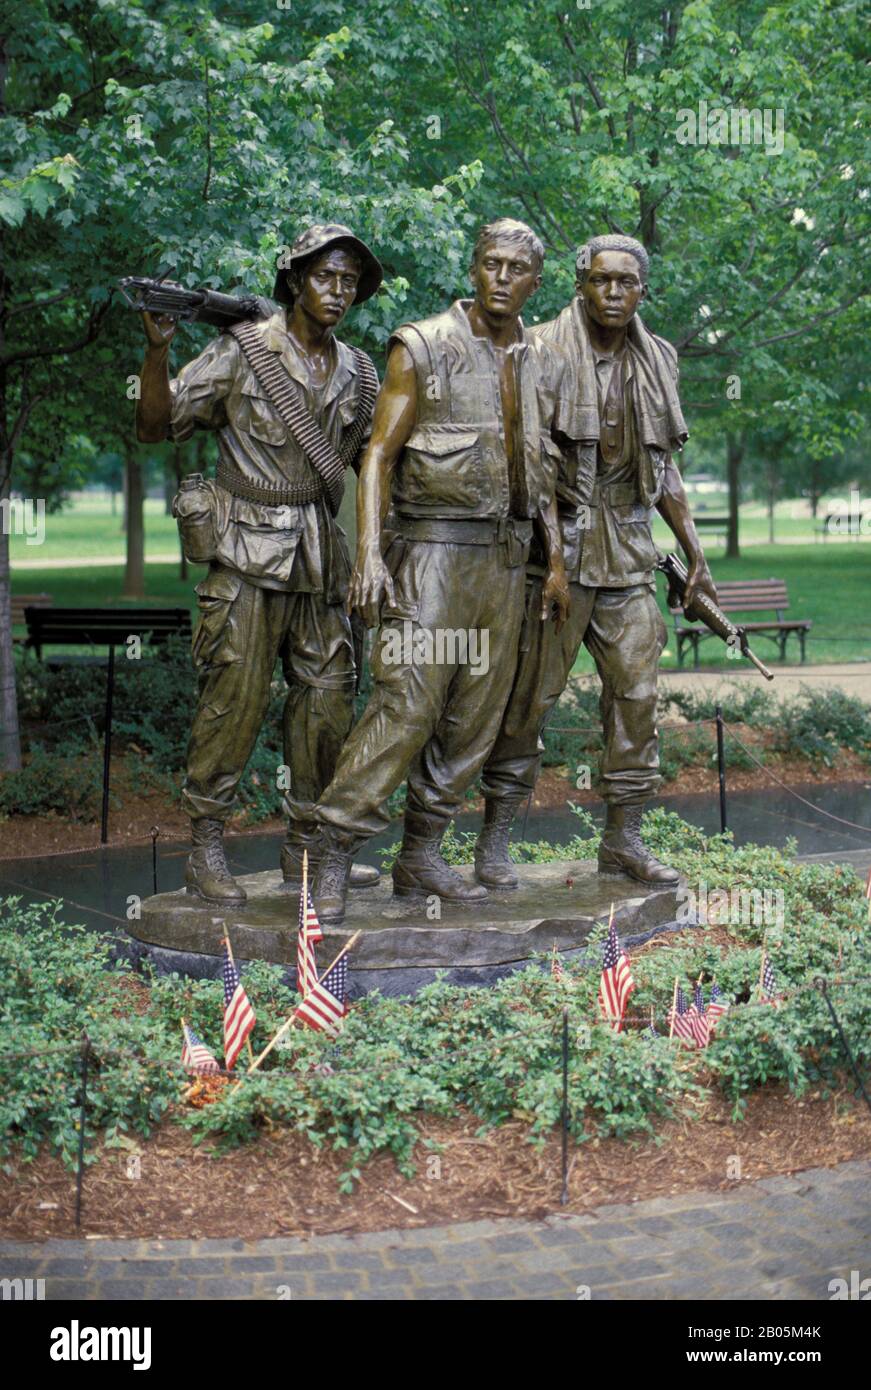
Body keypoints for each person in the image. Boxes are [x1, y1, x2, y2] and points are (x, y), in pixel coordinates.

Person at [308, 218, 579, 925]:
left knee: (473, 720)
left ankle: (422, 854)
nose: (499, 276)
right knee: (406, 708)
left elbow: (543, 470)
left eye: (515, 268)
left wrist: (553, 559)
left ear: (534, 282)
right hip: (430, 552)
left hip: (504, 560)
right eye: (489, 262)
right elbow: (377, 456)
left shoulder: (541, 360)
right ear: (472, 267)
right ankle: (332, 849)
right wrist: (368, 552)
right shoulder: (421, 345)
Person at [135, 223, 385, 904]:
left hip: (320, 562)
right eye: (325, 276)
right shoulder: (242, 349)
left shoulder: (361, 371)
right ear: (295, 280)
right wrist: (157, 353)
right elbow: (155, 424)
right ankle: (205, 848)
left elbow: (373, 464)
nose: (338, 291)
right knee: (231, 703)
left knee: (326, 706)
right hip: (245, 553)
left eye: (349, 281)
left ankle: (307, 847)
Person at [475, 234, 718, 888]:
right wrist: (553, 562)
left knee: (636, 695)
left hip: (629, 548)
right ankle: (493, 839)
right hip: (556, 544)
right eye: (601, 281)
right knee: (531, 699)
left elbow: (661, 467)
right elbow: (533, 464)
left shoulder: (658, 359)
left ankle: (623, 839)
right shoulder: (543, 350)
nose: (613, 293)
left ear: (641, 290)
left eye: (626, 283)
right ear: (581, 284)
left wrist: (694, 554)